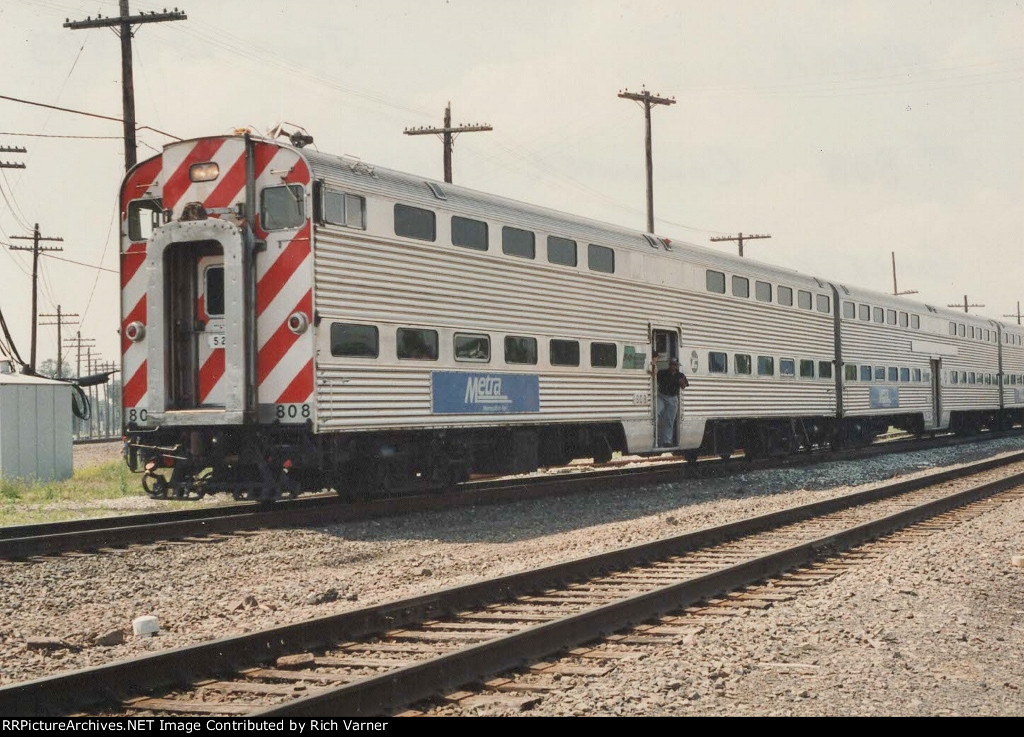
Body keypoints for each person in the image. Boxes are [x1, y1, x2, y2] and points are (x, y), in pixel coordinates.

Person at [649, 353, 689, 446]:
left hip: (672, 398)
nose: (673, 366)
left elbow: (684, 386)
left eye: (674, 364)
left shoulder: (680, 375)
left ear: (677, 365)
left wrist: (681, 382)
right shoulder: (663, 373)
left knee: (669, 420)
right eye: (671, 364)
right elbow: (654, 375)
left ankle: (667, 441)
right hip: (662, 396)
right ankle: (653, 438)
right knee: (655, 413)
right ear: (669, 364)